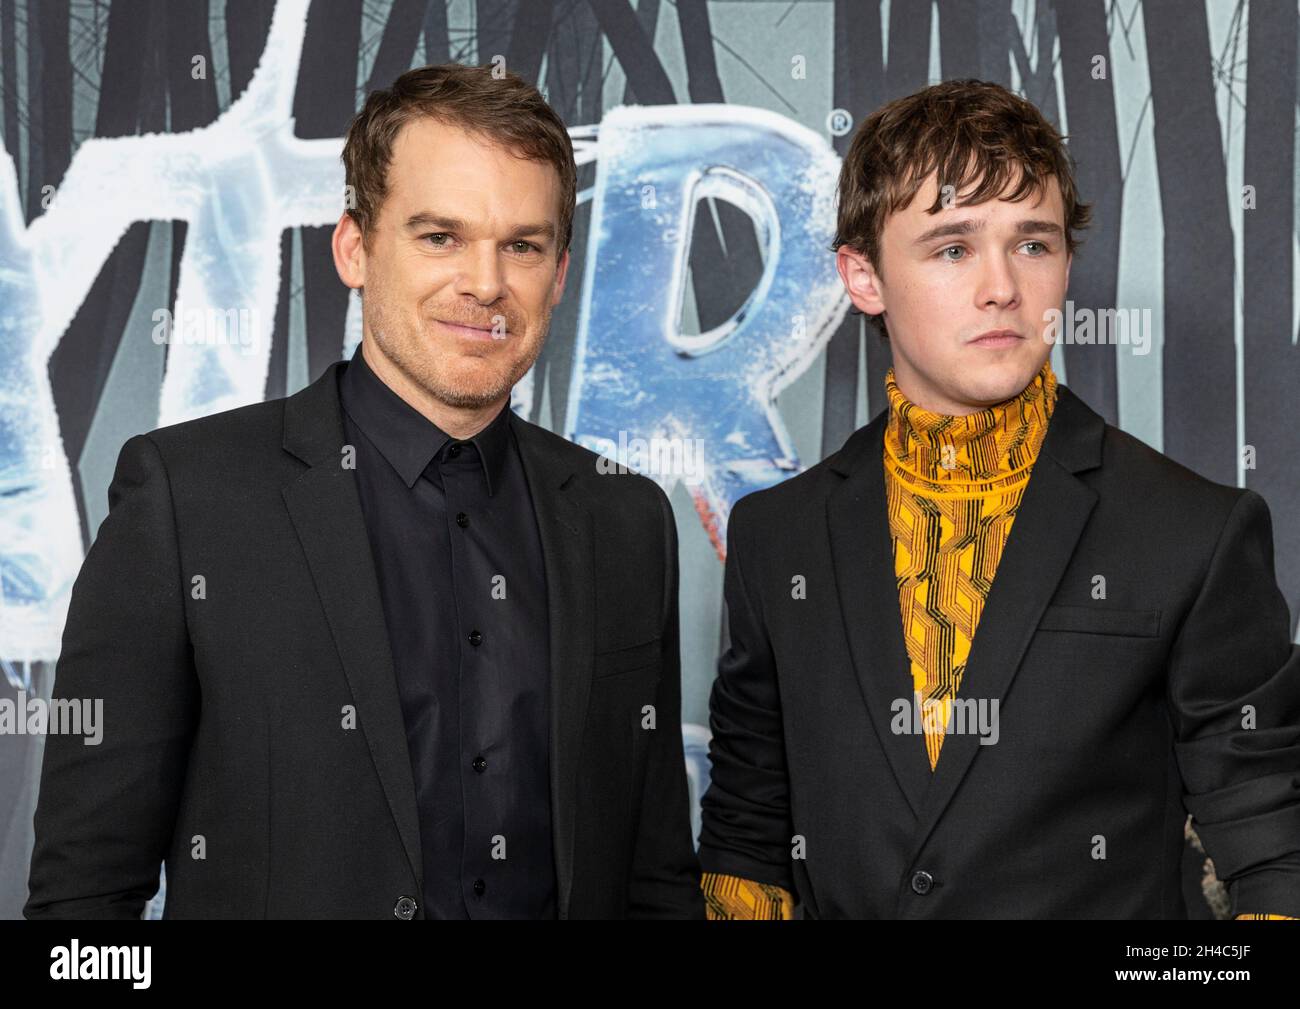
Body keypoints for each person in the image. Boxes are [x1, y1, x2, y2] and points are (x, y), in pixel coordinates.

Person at [26, 63, 703, 920]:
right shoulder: (188, 501)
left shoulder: (624, 518)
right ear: (355, 247)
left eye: (521, 245)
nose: (485, 284)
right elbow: (82, 902)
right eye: (439, 237)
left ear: (559, 272)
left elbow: (655, 880)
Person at [697, 79, 1300, 919]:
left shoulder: (1193, 529)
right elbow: (748, 835)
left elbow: (1273, 844)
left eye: (1032, 244)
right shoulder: (779, 538)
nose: (1001, 289)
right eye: (952, 248)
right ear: (862, 276)